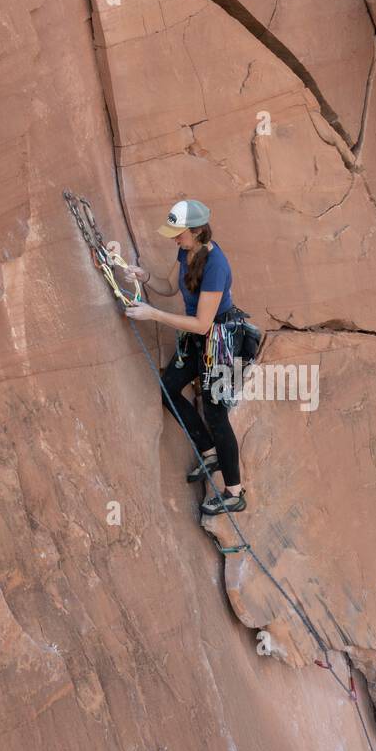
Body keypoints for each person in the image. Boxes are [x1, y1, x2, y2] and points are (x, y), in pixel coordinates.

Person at [124, 200, 246, 515]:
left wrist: (152, 314)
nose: (173, 239)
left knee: (215, 413)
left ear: (196, 230)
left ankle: (234, 492)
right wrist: (144, 276)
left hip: (219, 340)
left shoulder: (216, 265)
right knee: (169, 389)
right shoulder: (185, 251)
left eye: (178, 234)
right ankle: (209, 452)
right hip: (198, 338)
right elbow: (168, 286)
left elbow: (204, 323)